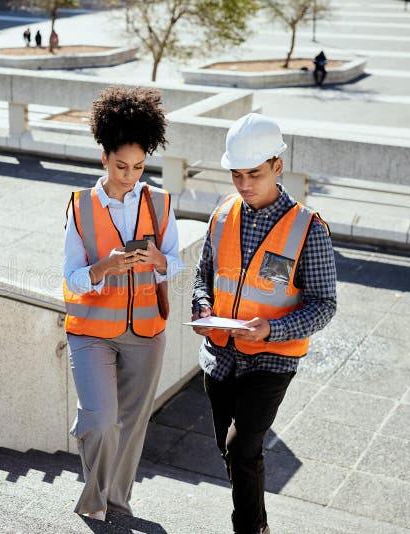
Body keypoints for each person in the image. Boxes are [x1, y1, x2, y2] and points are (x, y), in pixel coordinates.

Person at [191, 113, 337, 534]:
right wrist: (203, 308)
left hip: (271, 359)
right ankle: (259, 525)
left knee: (241, 448)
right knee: (231, 450)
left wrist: (271, 330)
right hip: (219, 356)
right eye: (236, 174)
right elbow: (204, 277)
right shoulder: (221, 216)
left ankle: (250, 529)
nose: (243, 184)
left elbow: (324, 305)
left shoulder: (309, 229)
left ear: (278, 166)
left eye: (253, 174)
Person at [63, 86, 184, 521]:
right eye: (120, 166)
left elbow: (175, 262)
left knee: (131, 429)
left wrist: (158, 261)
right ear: (103, 157)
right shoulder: (80, 207)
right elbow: (71, 276)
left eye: (138, 166)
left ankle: (116, 504)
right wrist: (103, 268)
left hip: (147, 333)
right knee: (99, 421)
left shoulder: (160, 202)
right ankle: (94, 502)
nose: (130, 176)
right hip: (91, 331)